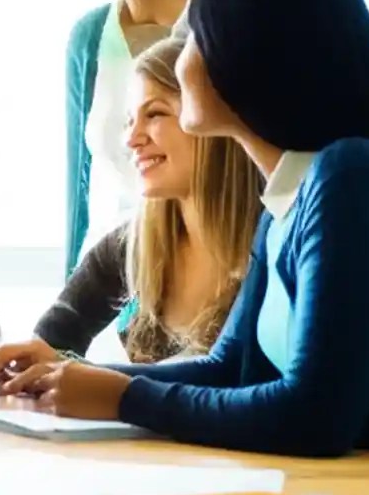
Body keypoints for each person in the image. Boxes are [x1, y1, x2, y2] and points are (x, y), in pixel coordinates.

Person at [0, 0, 369, 457]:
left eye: (192, 37)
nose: (178, 61)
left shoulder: (348, 174)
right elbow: (230, 369)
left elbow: (315, 418)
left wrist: (127, 397)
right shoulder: (285, 201)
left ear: (244, 51)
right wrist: (74, 376)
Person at [65, 0, 239, 276]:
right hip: (110, 275)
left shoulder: (216, 28)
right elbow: (79, 180)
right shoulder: (90, 36)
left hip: (201, 273)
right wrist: (68, 287)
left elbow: (236, 173)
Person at [35, 35, 262, 362]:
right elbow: (50, 342)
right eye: (130, 120)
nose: (131, 138)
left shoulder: (272, 245)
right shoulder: (129, 245)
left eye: (154, 114)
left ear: (210, 120)